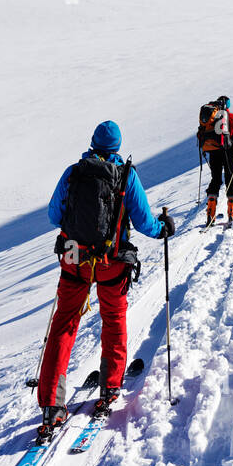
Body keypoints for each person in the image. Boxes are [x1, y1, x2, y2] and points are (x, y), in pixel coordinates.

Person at [37, 120, 174, 436]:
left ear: (93, 143)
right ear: (117, 147)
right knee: (113, 319)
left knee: (64, 324)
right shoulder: (126, 175)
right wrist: (163, 228)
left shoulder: (74, 172)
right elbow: (143, 221)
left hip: (74, 256)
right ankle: (110, 389)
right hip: (111, 260)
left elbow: (53, 215)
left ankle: (52, 405)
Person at [197, 94, 233, 225]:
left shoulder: (211, 119)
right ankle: (231, 212)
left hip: (214, 151)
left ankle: (210, 212)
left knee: (215, 179)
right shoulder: (232, 118)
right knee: (231, 177)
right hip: (229, 152)